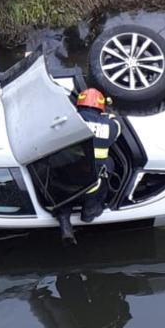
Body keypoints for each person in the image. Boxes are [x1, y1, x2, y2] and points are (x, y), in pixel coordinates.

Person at [54, 87, 121, 244]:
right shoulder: (110, 125)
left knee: (60, 176)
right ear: (101, 106)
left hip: (66, 183)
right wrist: (109, 113)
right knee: (108, 164)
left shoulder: (69, 120)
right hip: (92, 185)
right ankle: (89, 211)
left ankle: (64, 219)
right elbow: (118, 124)